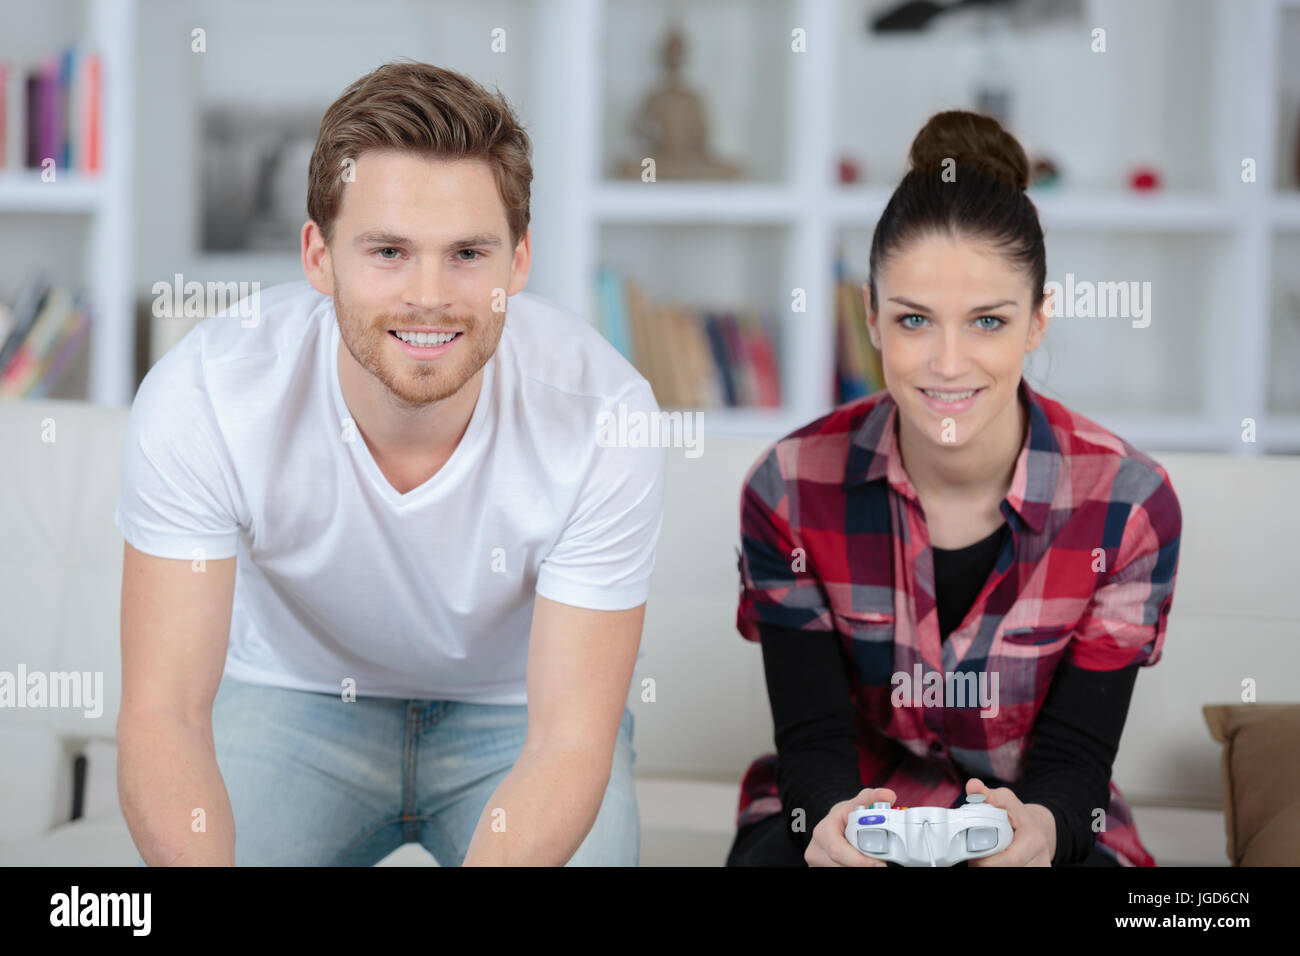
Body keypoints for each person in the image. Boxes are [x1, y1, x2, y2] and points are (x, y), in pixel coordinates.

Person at [116, 60, 665, 866]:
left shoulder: (608, 418)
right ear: (318, 256)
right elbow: (163, 715)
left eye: (469, 254)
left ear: (518, 263)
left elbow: (569, 740)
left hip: (518, 719)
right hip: (294, 697)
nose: (429, 295)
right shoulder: (204, 396)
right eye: (388, 251)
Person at [725, 110, 1182, 868]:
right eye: (914, 320)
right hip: (844, 811)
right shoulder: (788, 489)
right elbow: (814, 740)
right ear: (870, 317)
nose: (946, 362)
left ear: (1037, 321)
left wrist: (1041, 832)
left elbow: (1073, 760)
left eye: (987, 323)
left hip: (1041, 818)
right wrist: (832, 828)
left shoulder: (1129, 505)